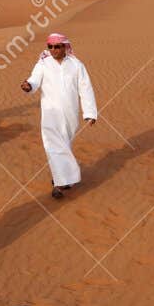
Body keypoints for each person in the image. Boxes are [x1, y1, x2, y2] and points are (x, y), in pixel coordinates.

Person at [21, 33, 97, 200]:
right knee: (52, 146)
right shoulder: (43, 64)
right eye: (50, 46)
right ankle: (58, 184)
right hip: (50, 113)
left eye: (57, 46)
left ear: (65, 47)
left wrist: (89, 113)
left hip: (70, 113)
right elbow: (34, 81)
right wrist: (28, 86)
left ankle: (66, 178)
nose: (53, 50)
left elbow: (85, 88)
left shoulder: (76, 65)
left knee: (64, 144)